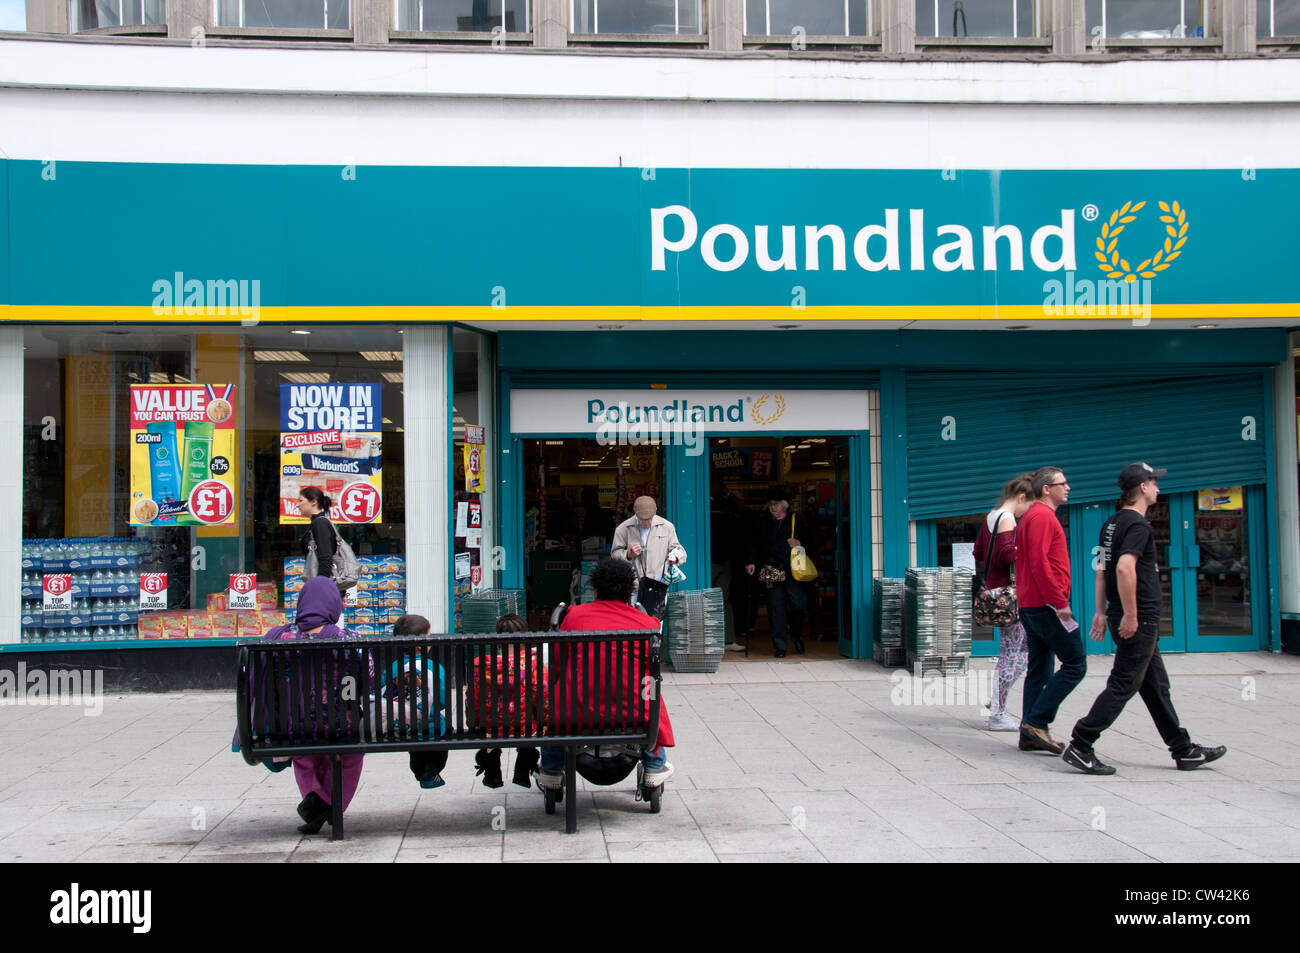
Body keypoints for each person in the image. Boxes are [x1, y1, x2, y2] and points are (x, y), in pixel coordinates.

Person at [1062, 463, 1227, 775]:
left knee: (1155, 685)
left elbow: (1101, 571)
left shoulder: (1110, 524)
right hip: (1139, 619)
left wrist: (1101, 611)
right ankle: (1081, 743)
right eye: (1154, 483)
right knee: (1124, 683)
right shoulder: (1138, 526)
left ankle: (1183, 750)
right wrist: (1131, 615)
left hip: (1121, 613)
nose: (1158, 489)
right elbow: (1124, 568)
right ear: (1141, 488)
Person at [534, 558, 675, 789]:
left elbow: (558, 664)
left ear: (596, 588)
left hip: (577, 712)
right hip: (633, 713)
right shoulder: (644, 622)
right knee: (652, 691)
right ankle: (653, 765)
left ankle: (551, 768)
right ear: (630, 591)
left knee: (556, 697)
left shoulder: (575, 616)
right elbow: (651, 671)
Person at [263, 575, 365, 835]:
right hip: (344, 724)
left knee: (305, 755)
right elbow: (369, 678)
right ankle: (326, 805)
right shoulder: (349, 638)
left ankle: (316, 804)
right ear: (334, 605)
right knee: (350, 754)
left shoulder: (279, 637)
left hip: (293, 725)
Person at [1015, 466, 1085, 754]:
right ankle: (1036, 721)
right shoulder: (1043, 516)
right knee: (1075, 664)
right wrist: (1059, 602)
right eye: (1063, 483)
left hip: (1032, 604)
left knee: (1040, 668)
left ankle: (1030, 732)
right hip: (1045, 605)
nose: (1068, 487)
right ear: (1047, 489)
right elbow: (1039, 564)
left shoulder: (1033, 515)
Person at [972, 473, 1035, 731]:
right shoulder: (1008, 518)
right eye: (1027, 506)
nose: (1025, 513)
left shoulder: (991, 515)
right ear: (1021, 497)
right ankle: (998, 711)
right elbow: (1005, 554)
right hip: (1010, 596)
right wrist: (1029, 548)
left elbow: (978, 551)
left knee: (1010, 652)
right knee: (1019, 654)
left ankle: (996, 699)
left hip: (995, 593)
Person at [472, 613, 541, 790]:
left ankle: (493, 772)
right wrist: (545, 720)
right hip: (525, 726)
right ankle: (522, 771)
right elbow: (542, 694)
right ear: (524, 636)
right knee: (529, 728)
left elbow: (473, 698)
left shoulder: (482, 664)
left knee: (490, 731)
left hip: (491, 726)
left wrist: (472, 722)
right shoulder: (533, 662)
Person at [745, 486, 812, 657]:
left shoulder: (796, 520)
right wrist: (751, 561)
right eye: (770, 505)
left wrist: (799, 543)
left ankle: (796, 635)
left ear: (784, 506)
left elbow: (809, 543)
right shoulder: (764, 523)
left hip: (793, 570)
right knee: (775, 608)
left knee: (797, 605)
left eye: (776, 505)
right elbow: (755, 544)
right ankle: (780, 646)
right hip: (771, 569)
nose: (772, 508)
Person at [390, 613, 449, 790]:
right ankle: (430, 771)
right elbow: (442, 702)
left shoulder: (393, 667)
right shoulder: (434, 668)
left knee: (414, 734)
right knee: (439, 726)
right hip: (432, 727)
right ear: (422, 644)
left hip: (402, 728)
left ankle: (423, 770)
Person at [610, 496, 686, 604]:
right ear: (634, 512)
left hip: (658, 585)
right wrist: (628, 554)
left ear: (655, 511)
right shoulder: (623, 528)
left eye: (649, 519)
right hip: (633, 587)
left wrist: (675, 558)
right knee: (634, 620)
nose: (646, 523)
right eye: (642, 519)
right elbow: (614, 554)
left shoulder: (667, 527)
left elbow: (679, 550)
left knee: (656, 620)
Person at [298, 486, 339, 590]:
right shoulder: (317, 523)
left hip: (323, 587)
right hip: (322, 584)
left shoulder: (320, 523)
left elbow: (325, 558)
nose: (297, 505)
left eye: (300, 501)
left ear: (313, 502)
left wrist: (320, 588)